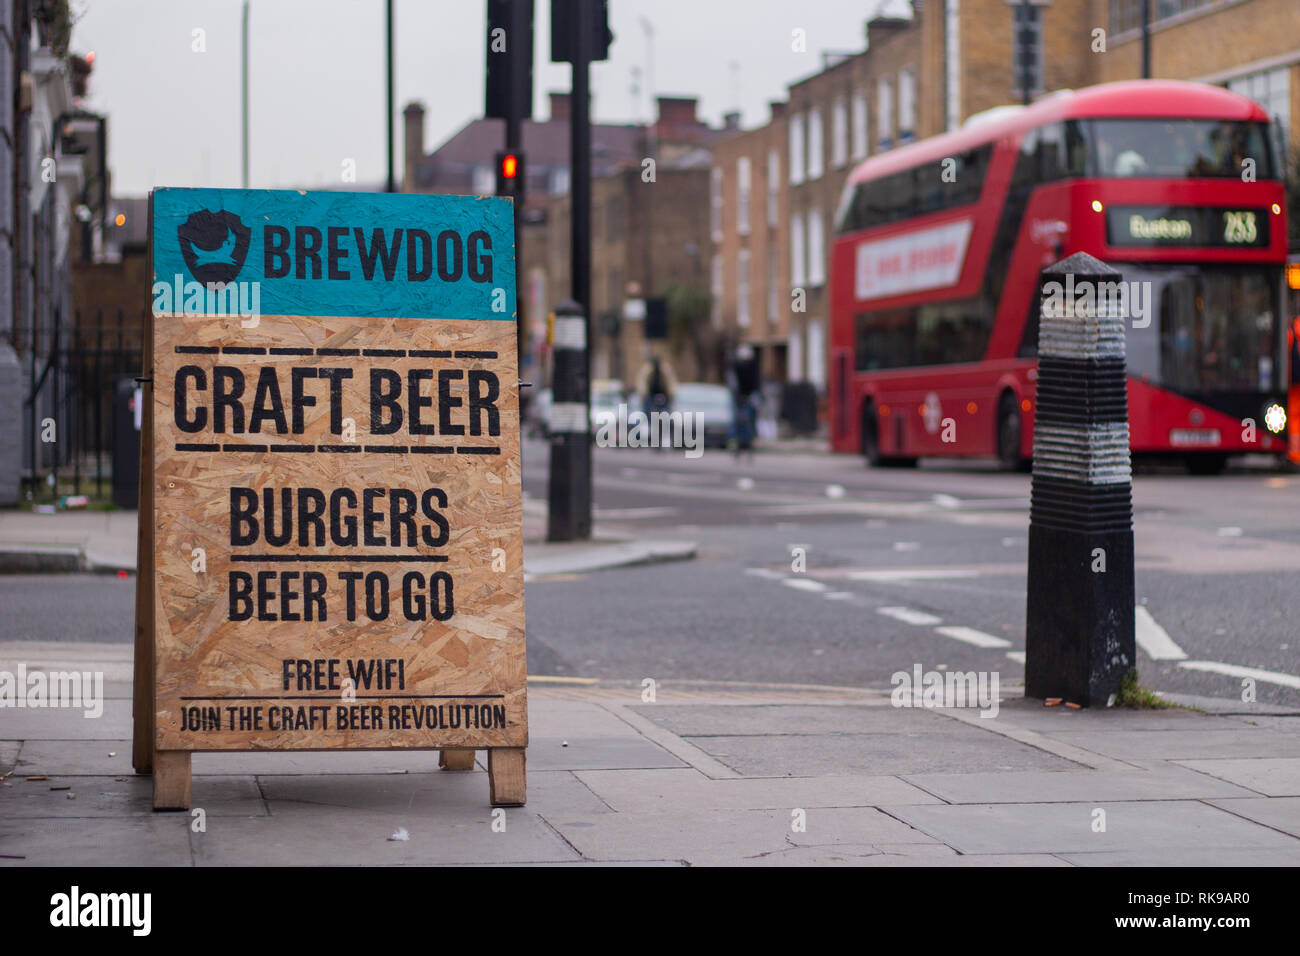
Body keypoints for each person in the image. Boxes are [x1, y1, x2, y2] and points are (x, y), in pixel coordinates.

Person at [726, 344, 762, 457]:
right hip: (739, 396)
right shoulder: (735, 368)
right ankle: (734, 440)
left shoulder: (752, 368)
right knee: (736, 420)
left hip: (749, 395)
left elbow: (756, 383)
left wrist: (755, 395)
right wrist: (736, 395)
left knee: (749, 418)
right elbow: (733, 384)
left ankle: (748, 439)